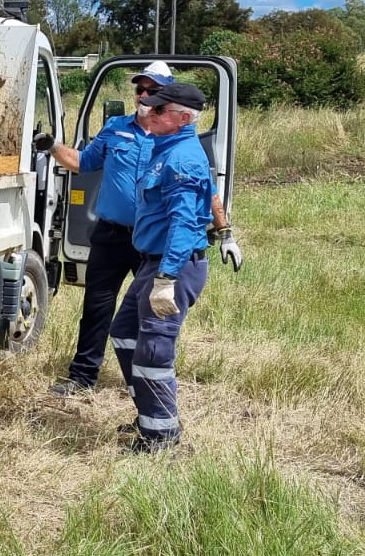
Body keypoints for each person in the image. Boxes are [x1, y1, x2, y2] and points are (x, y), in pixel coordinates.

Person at [47, 62, 242, 396]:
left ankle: (143, 380)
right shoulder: (115, 128)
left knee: (151, 314)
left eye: (154, 91)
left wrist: (224, 230)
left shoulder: (173, 140)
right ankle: (83, 376)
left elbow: (205, 189)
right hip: (111, 235)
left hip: (153, 245)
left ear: (169, 98)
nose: (144, 95)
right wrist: (52, 146)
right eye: (140, 89)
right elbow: (82, 162)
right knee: (97, 308)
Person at [108, 81, 215, 453]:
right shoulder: (163, 148)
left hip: (173, 266)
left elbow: (183, 223)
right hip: (152, 263)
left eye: (158, 109)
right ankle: (149, 413)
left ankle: (161, 438)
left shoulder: (181, 158)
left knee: (154, 350)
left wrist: (167, 277)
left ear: (184, 118)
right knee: (124, 333)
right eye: (148, 106)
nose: (148, 112)